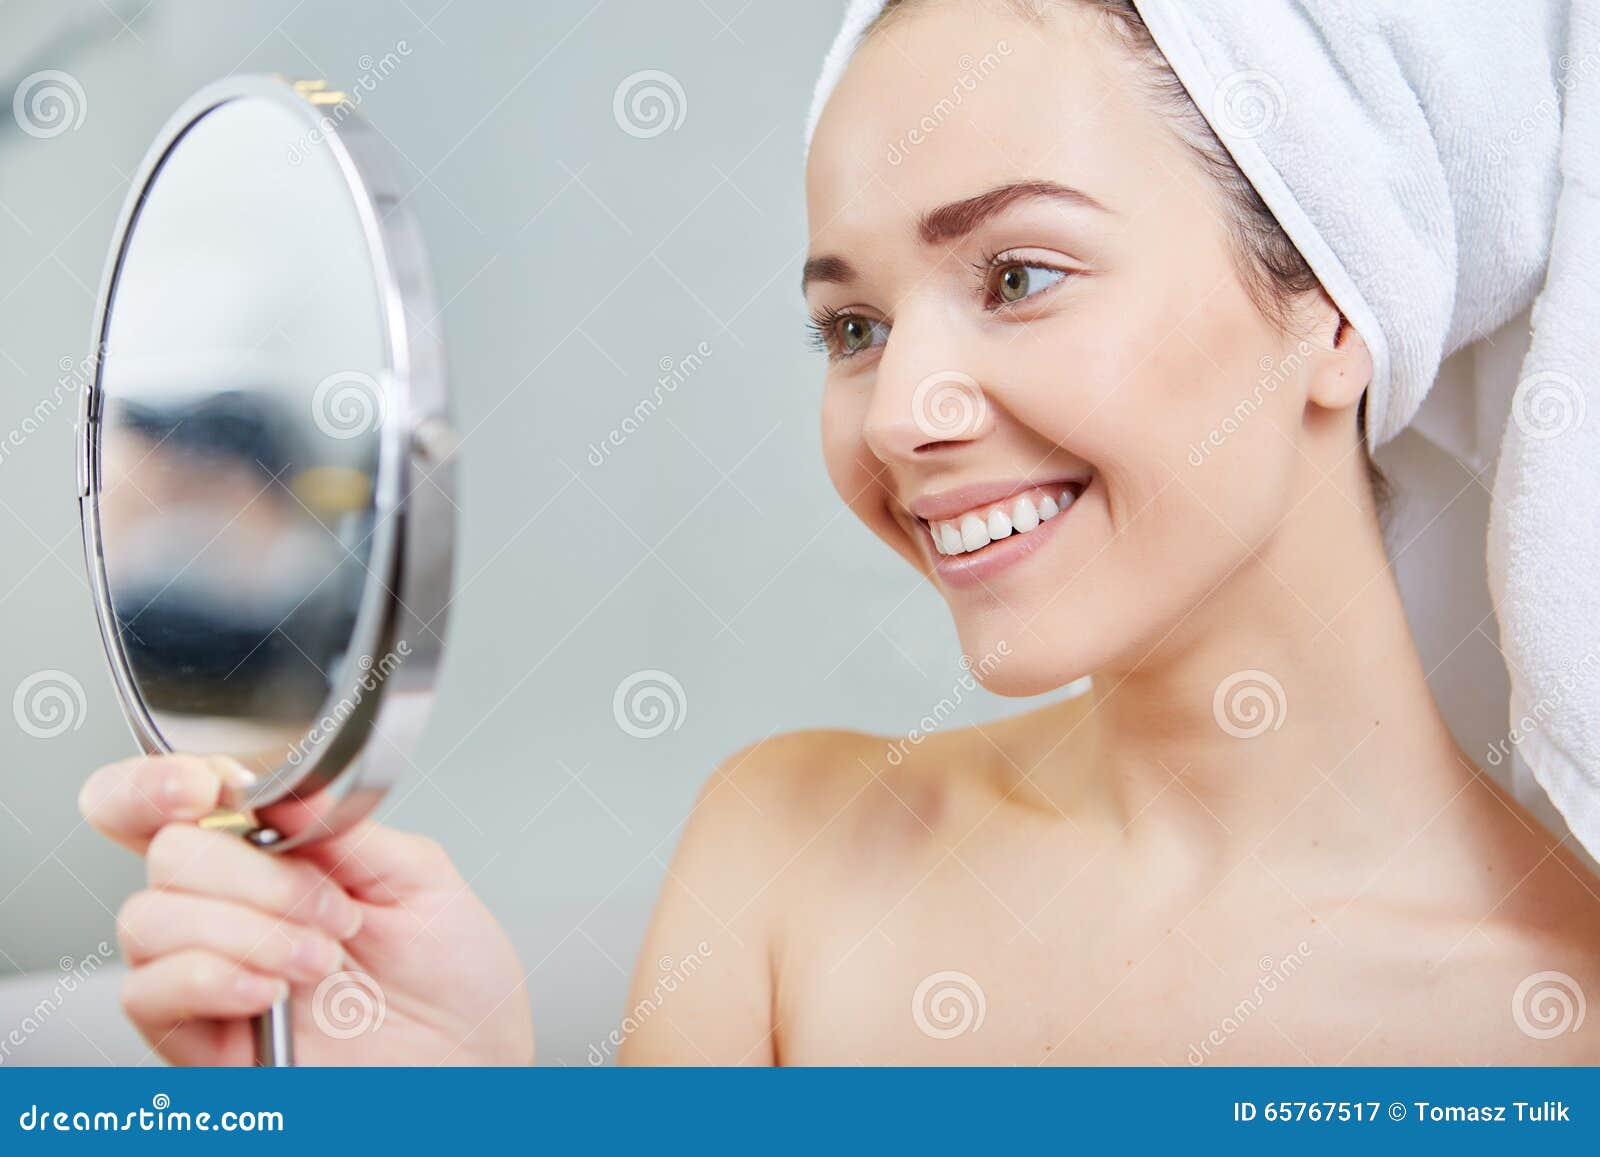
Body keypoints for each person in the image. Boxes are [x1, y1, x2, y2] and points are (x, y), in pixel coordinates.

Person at [80, 0, 1600, 1065]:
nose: (899, 414)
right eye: (854, 324)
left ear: (1333, 307)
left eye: (1018, 275)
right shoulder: (788, 860)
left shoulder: (1555, 1025)